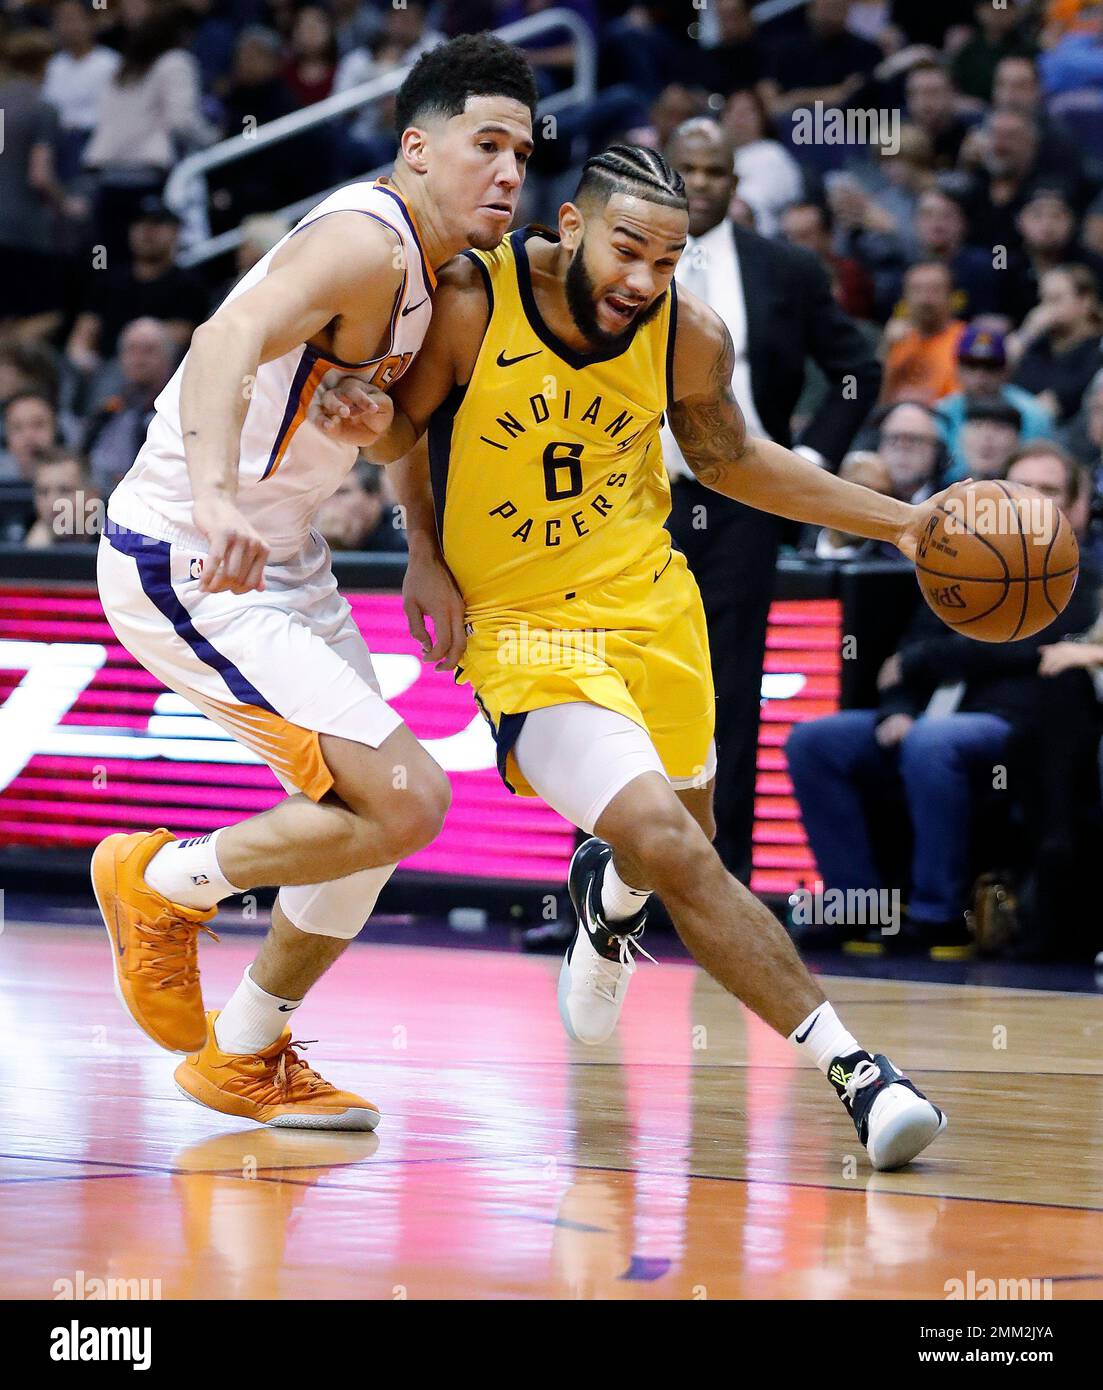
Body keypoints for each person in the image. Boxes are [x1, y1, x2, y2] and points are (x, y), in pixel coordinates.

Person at [329, 144, 949, 1171]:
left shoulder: (684, 335)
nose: (643, 280)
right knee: (676, 841)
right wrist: (424, 553)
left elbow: (736, 461)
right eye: (628, 250)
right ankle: (859, 1073)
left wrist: (900, 525)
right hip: (524, 628)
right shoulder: (471, 301)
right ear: (571, 227)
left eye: (668, 261)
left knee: (676, 835)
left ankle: (605, 901)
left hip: (653, 609)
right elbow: (406, 430)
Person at [89, 34, 539, 1131]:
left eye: (524, 152)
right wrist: (215, 494)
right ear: (416, 148)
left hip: (289, 559)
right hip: (190, 558)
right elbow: (224, 332)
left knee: (373, 821)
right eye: (486, 144)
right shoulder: (361, 243)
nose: (509, 172)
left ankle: (244, 1050)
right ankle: (158, 882)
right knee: (409, 799)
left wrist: (418, 535)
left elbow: (399, 434)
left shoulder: (444, 280)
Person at [661, 118, 881, 886]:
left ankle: (721, 883)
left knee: (728, 685)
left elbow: (858, 366)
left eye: (715, 169)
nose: (701, 182)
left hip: (738, 500)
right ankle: (605, 887)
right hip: (632, 499)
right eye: (686, 167)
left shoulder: (783, 267)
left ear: (735, 179)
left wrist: (809, 462)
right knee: (613, 686)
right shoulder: (623, 265)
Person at [938, 323, 1057, 477]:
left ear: (1006, 370)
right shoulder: (941, 412)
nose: (981, 376)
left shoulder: (1034, 414)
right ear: (957, 368)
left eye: (990, 366)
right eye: (972, 365)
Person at [1009, 264, 1103, 424]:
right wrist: (1027, 333)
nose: (1045, 309)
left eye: (1055, 300)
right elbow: (998, 374)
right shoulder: (1036, 345)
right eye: (1043, 300)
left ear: (1085, 301)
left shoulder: (1098, 349)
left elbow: (1058, 402)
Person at [880, 261, 965, 405]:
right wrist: (885, 350)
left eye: (934, 290)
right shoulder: (895, 340)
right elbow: (876, 403)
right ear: (905, 297)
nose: (925, 299)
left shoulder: (965, 339)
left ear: (951, 296)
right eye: (917, 290)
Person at [313, 460, 408, 553]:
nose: (330, 504)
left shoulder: (403, 530)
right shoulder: (307, 534)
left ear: (373, 498)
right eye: (323, 494)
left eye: (342, 492)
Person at [23, 447, 99, 549]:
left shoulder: (117, 544)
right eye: (43, 492)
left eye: (65, 491)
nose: (52, 503)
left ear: (92, 497)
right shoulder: (16, 536)